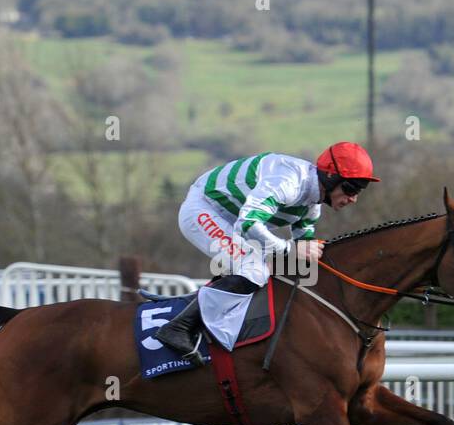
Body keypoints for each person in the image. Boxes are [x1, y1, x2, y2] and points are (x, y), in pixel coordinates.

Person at [154, 142, 378, 364]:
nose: (353, 198)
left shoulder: (312, 205)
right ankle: (178, 327)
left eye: (359, 191)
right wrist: (289, 248)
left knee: (277, 267)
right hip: (203, 209)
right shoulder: (288, 182)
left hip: (233, 220)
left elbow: (305, 259)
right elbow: (249, 224)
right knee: (254, 267)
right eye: (350, 189)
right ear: (330, 177)